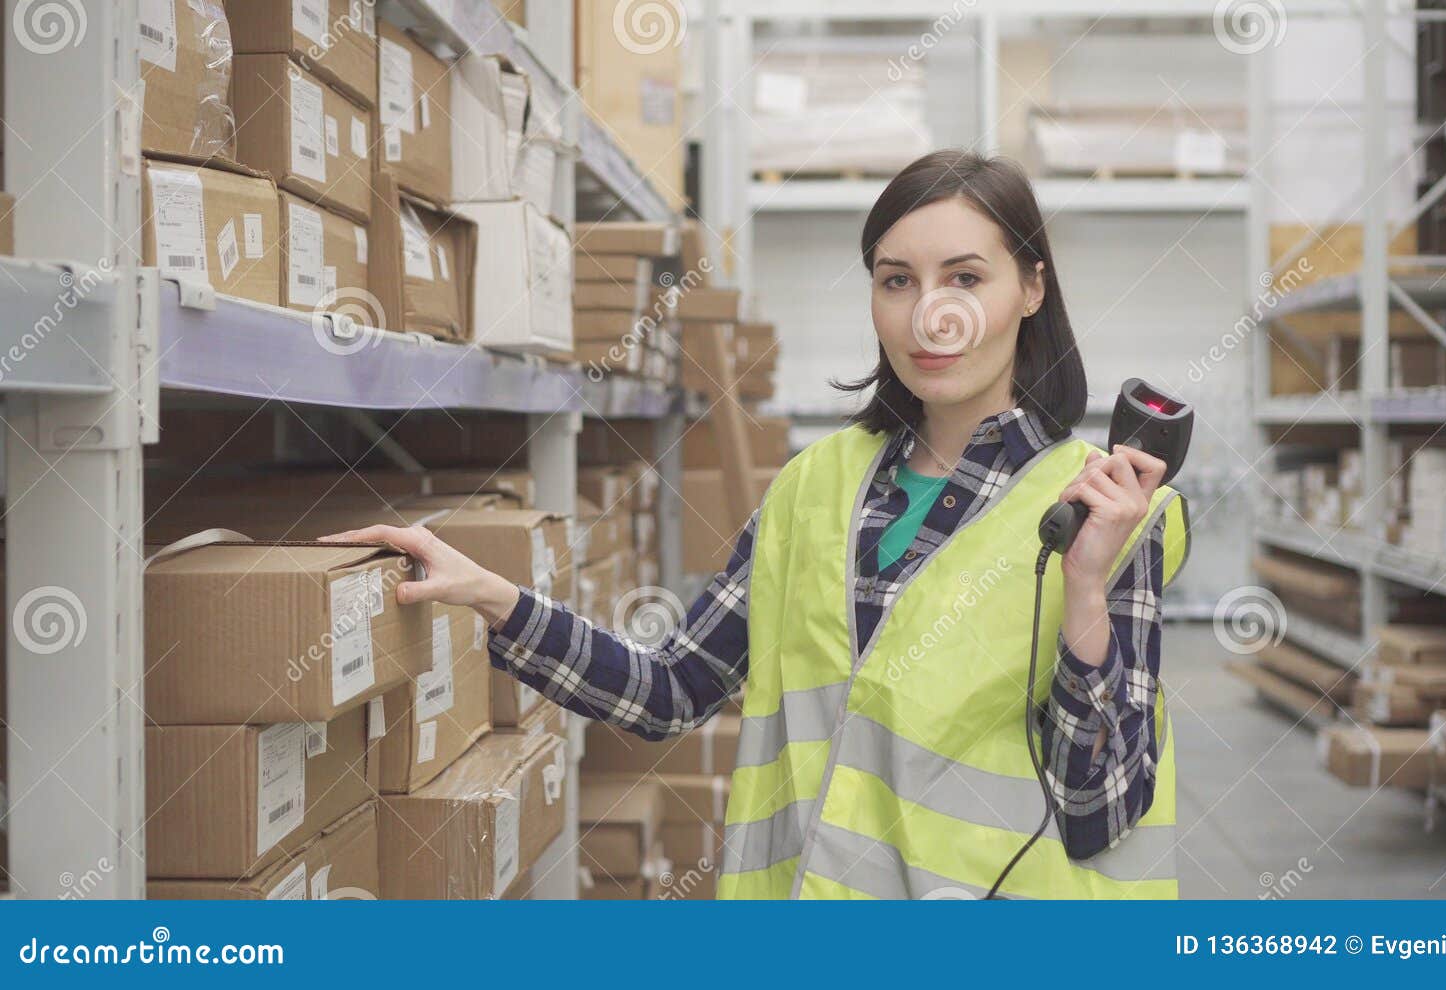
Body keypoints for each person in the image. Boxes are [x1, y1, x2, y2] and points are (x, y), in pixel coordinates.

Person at [324, 149, 1189, 900]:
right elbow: (670, 692)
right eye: (898, 281)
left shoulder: (1106, 514)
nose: (931, 316)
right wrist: (493, 596)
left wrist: (1083, 590)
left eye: (966, 278)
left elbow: (1097, 809)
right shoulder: (816, 487)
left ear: (1032, 287)